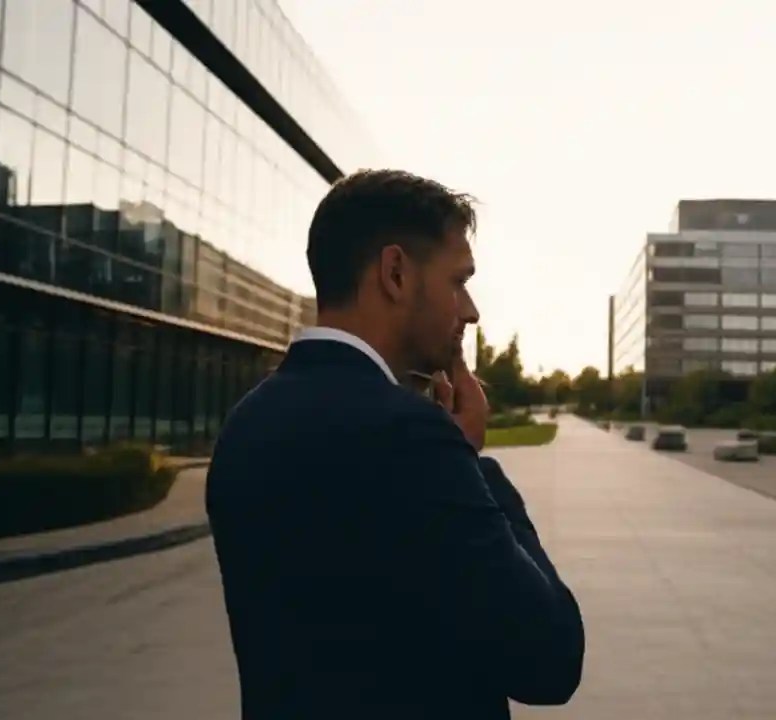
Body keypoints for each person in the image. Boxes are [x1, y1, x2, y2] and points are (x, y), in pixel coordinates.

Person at [205, 170, 584, 718]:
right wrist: (471, 462)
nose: (471, 310)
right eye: (458, 281)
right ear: (397, 273)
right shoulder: (409, 437)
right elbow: (549, 659)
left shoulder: (247, 423)